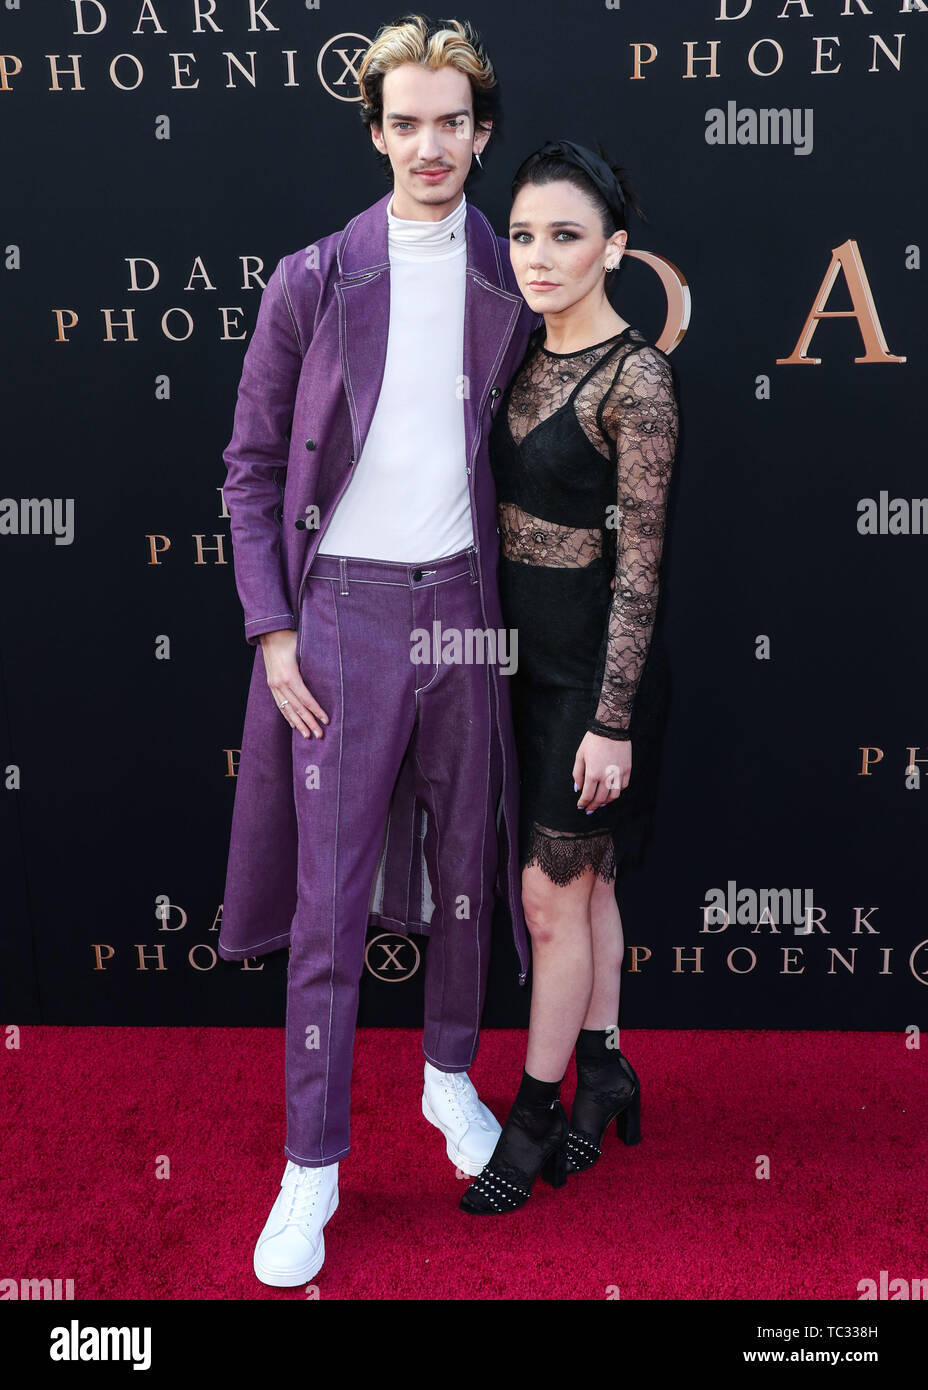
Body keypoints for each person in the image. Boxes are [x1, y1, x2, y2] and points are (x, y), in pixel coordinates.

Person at [216, 15, 539, 1282]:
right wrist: (274, 628)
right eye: (405, 121)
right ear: (374, 132)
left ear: (481, 131)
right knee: (329, 902)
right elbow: (248, 472)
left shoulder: (512, 278)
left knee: (467, 861)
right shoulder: (310, 279)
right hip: (341, 610)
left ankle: (451, 1078)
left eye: (451, 121)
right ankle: (311, 1169)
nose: (429, 143)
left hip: (466, 596)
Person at [460, 140, 680, 1214]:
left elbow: (641, 568)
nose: (537, 256)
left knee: (550, 900)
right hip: (510, 659)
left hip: (592, 676)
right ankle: (605, 1067)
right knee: (584, 889)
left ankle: (535, 1111)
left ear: (614, 250)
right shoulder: (515, 347)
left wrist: (611, 718)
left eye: (565, 236)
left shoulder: (636, 378)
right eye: (522, 234)